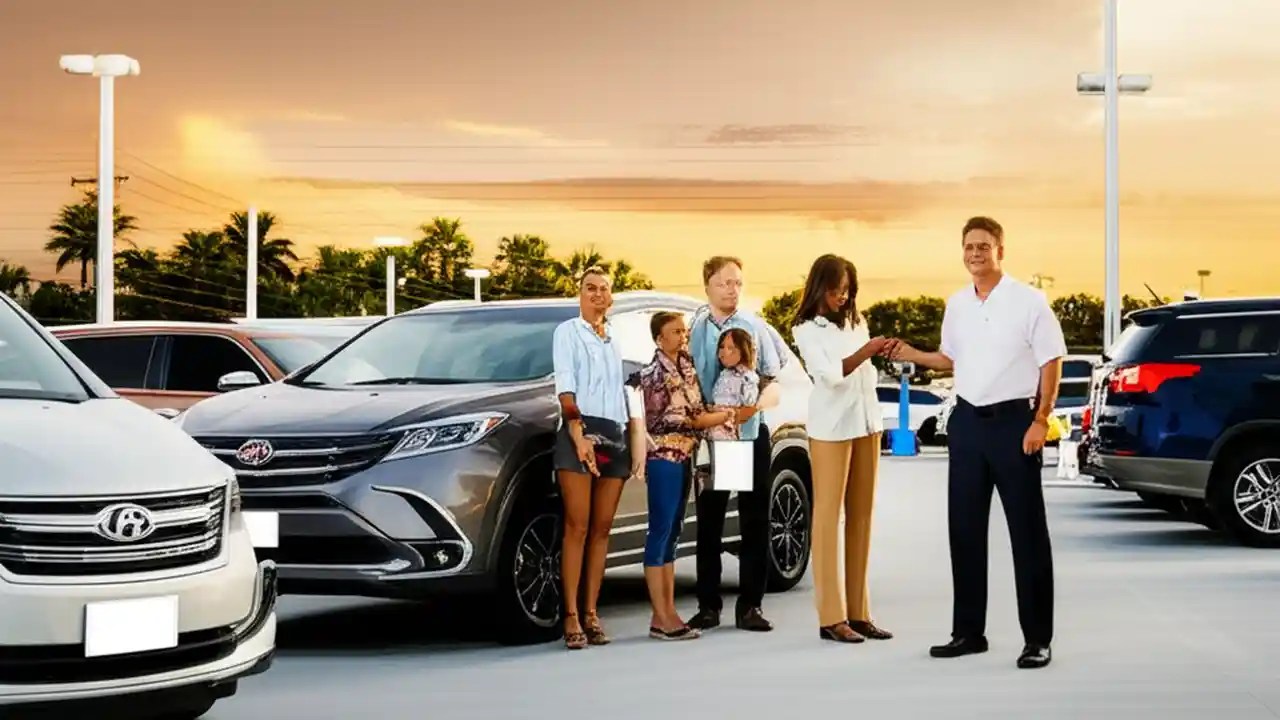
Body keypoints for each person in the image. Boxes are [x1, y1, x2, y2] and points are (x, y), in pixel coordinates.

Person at [888, 216, 1065, 669]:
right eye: (969, 246)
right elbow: (949, 358)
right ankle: (968, 632)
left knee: (1027, 535)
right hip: (967, 424)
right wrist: (911, 354)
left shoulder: (1029, 301)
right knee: (964, 532)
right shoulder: (956, 305)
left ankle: (1037, 639)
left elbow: (1051, 361)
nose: (975, 253)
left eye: (984, 246)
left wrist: (1040, 419)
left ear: (1000, 250)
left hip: (1014, 425)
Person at [791, 254, 894, 644]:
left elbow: (865, 372)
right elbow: (831, 375)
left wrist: (874, 350)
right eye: (837, 288)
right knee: (827, 517)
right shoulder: (805, 328)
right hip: (831, 428)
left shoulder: (855, 320)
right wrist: (868, 350)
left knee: (862, 517)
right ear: (820, 286)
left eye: (848, 289)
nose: (843, 296)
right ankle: (830, 617)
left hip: (867, 424)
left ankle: (859, 612)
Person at [686, 255, 787, 632]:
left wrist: (753, 408)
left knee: (754, 519)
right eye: (724, 282)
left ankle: (750, 606)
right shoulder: (697, 328)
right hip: (713, 437)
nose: (732, 289)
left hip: (746, 435)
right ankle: (708, 605)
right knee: (709, 521)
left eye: (738, 282)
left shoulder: (753, 325)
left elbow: (772, 379)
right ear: (708, 286)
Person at [551, 266, 645, 650]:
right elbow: (566, 384)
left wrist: (635, 440)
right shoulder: (568, 333)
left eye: (603, 289)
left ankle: (592, 612)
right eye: (590, 288)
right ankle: (570, 615)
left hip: (614, 433)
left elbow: (626, 393)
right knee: (578, 525)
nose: (597, 295)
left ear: (610, 297)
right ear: (580, 294)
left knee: (603, 528)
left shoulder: (614, 339)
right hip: (580, 430)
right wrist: (577, 431)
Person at [633, 311, 736, 640]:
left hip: (686, 455)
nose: (682, 336)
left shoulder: (687, 367)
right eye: (675, 332)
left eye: (684, 331)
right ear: (659, 338)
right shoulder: (653, 375)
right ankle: (661, 614)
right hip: (663, 456)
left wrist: (713, 415)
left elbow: (697, 409)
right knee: (660, 530)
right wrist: (721, 417)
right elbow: (682, 419)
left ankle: (667, 612)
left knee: (675, 531)